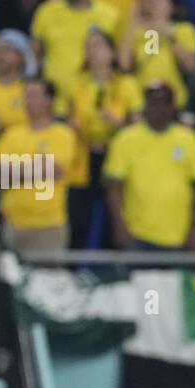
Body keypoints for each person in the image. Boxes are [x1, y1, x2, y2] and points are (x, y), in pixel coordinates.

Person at [103, 81, 195, 252]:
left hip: (180, 235)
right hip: (137, 235)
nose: (157, 108)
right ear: (145, 106)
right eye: (152, 103)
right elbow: (114, 188)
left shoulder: (189, 140)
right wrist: (120, 226)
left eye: (163, 103)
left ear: (173, 107)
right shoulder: (126, 139)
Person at [65, 26, 141, 249]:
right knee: (79, 214)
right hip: (85, 155)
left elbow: (138, 124)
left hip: (115, 153)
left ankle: (112, 267)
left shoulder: (126, 85)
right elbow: (68, 117)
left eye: (98, 45)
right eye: (89, 47)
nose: (93, 51)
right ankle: (75, 266)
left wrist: (120, 124)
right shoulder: (78, 84)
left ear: (111, 52)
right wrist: (73, 125)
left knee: (113, 214)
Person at [0, 78, 78, 256]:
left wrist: (14, 172)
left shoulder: (62, 134)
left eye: (33, 96)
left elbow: (55, 170)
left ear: (49, 100)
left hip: (47, 226)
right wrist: (37, 168)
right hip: (12, 223)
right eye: (26, 96)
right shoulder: (12, 134)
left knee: (46, 280)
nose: (27, 101)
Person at [31, 0, 121, 100]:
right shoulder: (46, 12)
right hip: (55, 100)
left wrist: (153, 29)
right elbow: (35, 56)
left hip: (94, 102)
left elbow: (124, 60)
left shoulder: (111, 16)